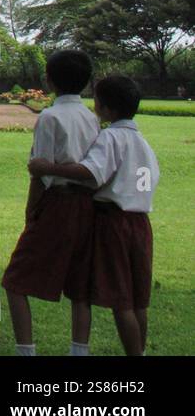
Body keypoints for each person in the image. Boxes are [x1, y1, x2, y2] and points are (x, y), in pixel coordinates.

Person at [31, 75, 160, 356]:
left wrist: (47, 167)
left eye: (96, 100)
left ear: (107, 108)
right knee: (139, 300)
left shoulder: (110, 137)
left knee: (122, 301)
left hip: (114, 223)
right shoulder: (143, 144)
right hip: (141, 224)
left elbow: (91, 172)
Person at [1, 49, 99, 356]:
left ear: (49, 80)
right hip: (88, 205)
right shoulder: (92, 117)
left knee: (15, 280)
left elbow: (39, 170)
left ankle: (26, 351)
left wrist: (32, 211)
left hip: (57, 203)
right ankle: (78, 351)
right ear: (86, 83)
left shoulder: (50, 116)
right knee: (81, 286)